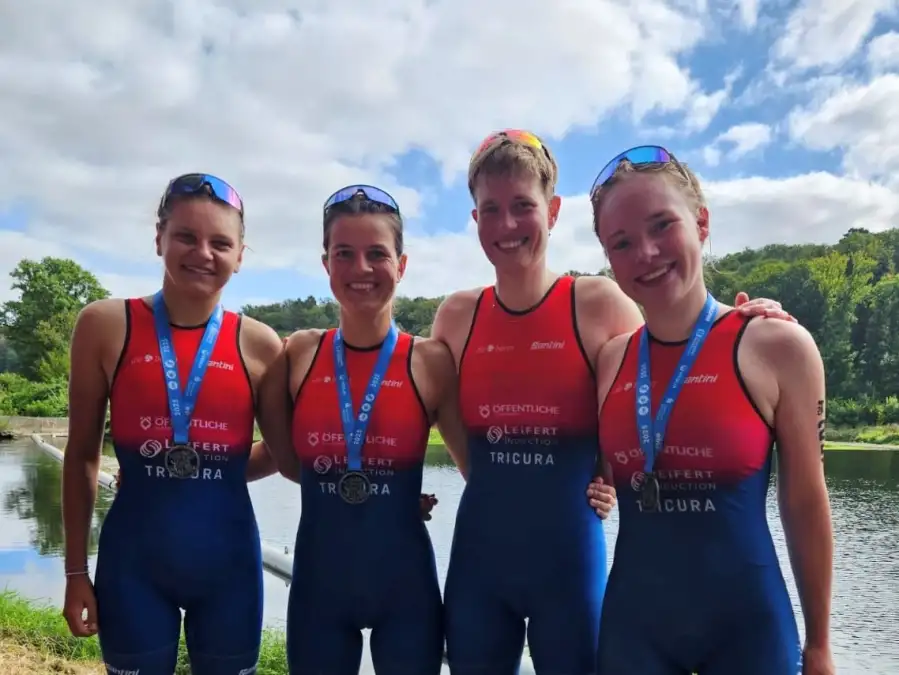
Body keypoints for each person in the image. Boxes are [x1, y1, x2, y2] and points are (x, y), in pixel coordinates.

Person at [431, 130, 792, 675]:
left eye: (523, 206)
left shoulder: (599, 303)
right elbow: (448, 425)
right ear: (475, 218)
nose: (507, 224)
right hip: (479, 566)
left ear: (553, 211)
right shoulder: (456, 317)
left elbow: (665, 370)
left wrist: (740, 320)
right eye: (491, 210)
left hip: (568, 567)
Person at [586, 145, 834, 675]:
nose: (646, 252)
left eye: (662, 225)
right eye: (622, 242)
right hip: (636, 633)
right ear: (608, 255)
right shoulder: (610, 360)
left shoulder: (778, 346)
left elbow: (806, 503)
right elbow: (590, 466)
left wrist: (819, 646)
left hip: (749, 632)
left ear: (701, 223)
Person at [61, 173, 284, 675]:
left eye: (220, 243)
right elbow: (82, 457)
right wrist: (76, 572)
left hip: (230, 571)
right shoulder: (104, 325)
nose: (202, 253)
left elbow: (282, 453)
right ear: (159, 237)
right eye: (186, 236)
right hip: (132, 569)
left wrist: (212, 468)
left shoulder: (260, 344)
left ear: (240, 255)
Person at [256, 185, 461, 675]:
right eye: (344, 254)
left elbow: (479, 469)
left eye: (377, 254)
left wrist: (590, 478)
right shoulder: (299, 353)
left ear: (401, 265)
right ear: (325, 264)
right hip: (319, 591)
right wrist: (169, 479)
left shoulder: (432, 361)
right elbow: (284, 460)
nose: (360, 268)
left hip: (406, 591)